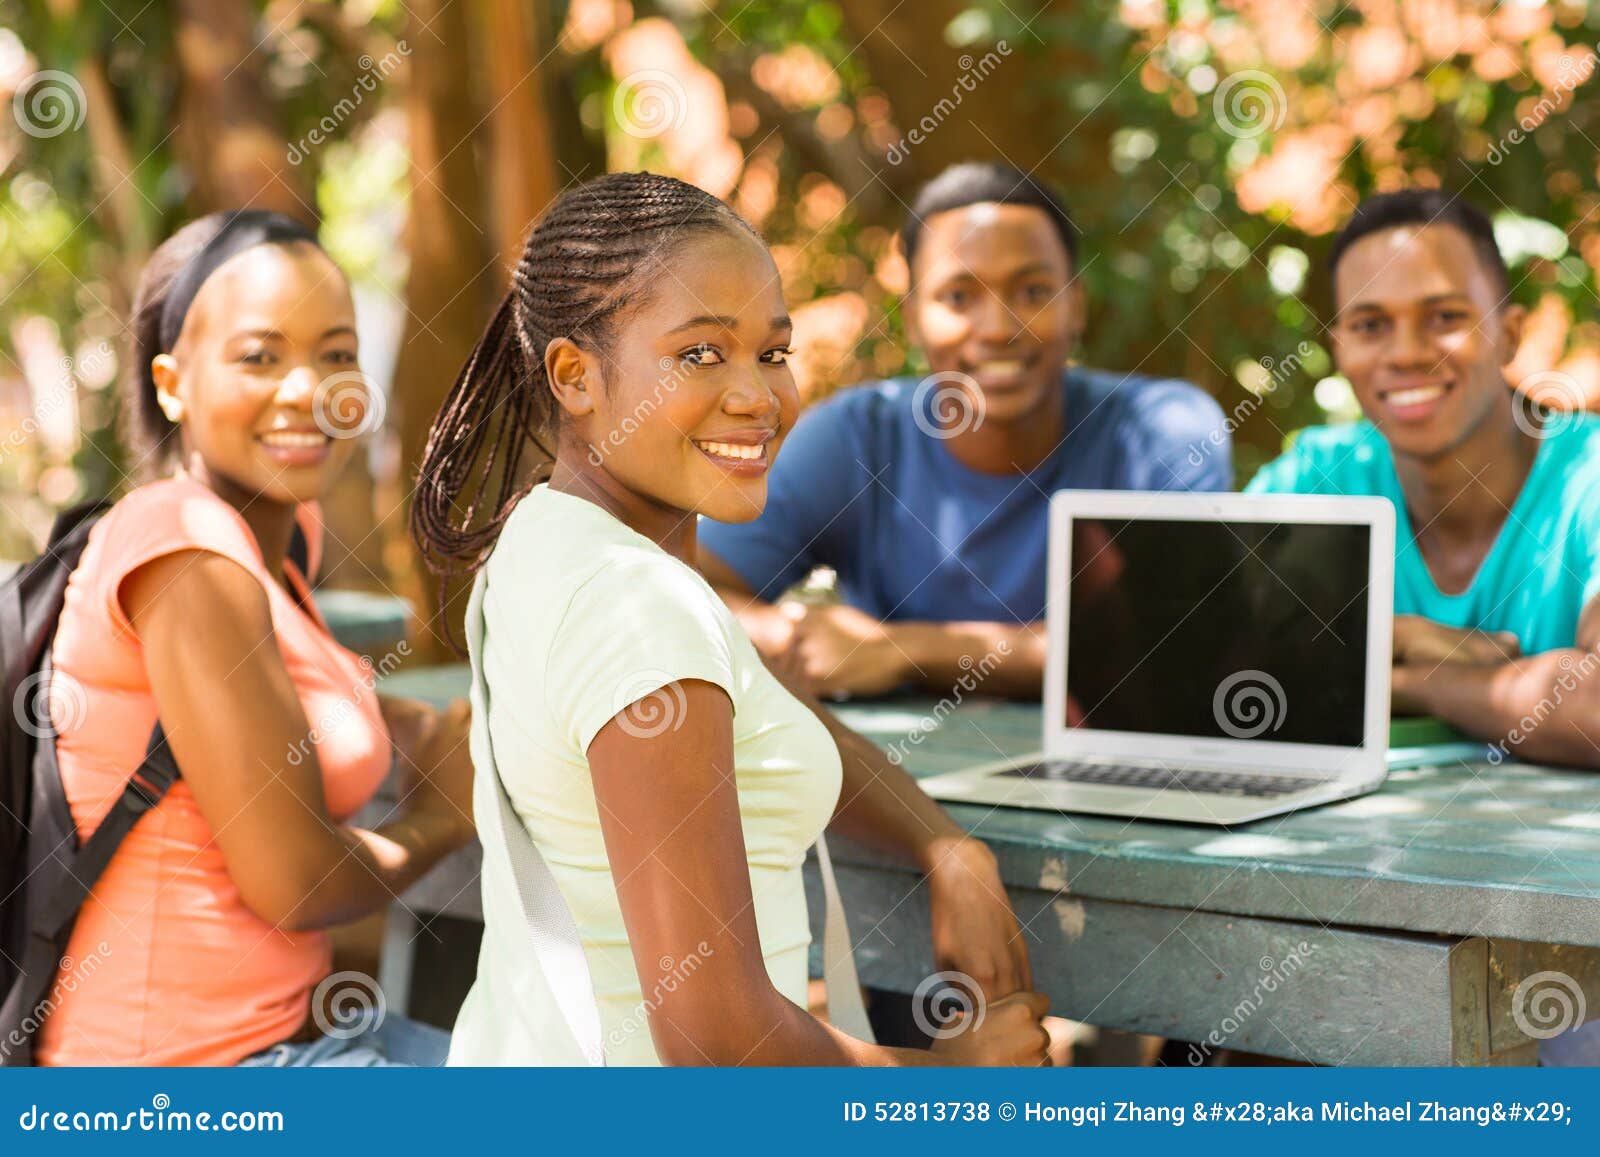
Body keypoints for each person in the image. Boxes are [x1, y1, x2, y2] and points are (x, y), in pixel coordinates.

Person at [412, 172, 1050, 1067]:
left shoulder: (546, 536)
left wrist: (943, 842)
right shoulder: (633, 605)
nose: (758, 396)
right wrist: (950, 1077)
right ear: (576, 376)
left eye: (773, 353)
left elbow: (755, 715)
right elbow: (713, 1038)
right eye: (700, 354)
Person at [37, 211, 474, 1066]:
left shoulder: (274, 548)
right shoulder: (185, 545)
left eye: (338, 353)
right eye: (259, 357)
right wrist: (444, 815)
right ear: (173, 383)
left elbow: (276, 704)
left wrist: (407, 724)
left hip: (299, 1042)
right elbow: (297, 880)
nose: (307, 388)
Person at [697, 161, 1231, 699]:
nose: (999, 329)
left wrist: (903, 650)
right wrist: (790, 638)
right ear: (911, 319)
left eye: (1033, 292)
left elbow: (1171, 645)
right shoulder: (856, 437)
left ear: (1077, 307)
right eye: (958, 297)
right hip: (900, 769)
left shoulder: (1162, 430)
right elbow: (695, 586)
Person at [1247, 188, 1600, 772]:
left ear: (1510, 333)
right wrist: (1397, 634)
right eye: (1370, 324)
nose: (1407, 353)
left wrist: (1419, 680)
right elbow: (1186, 648)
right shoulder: (1318, 476)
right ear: (1340, 349)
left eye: (1445, 318)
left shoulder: (1586, 478)